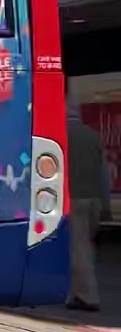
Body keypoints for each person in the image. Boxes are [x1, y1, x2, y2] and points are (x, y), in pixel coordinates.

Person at [66, 97, 108, 312]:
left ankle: (87, 296)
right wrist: (106, 204)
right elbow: (104, 172)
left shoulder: (62, 135)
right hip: (94, 199)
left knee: (78, 249)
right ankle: (74, 293)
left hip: (74, 198)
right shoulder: (92, 136)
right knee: (86, 246)